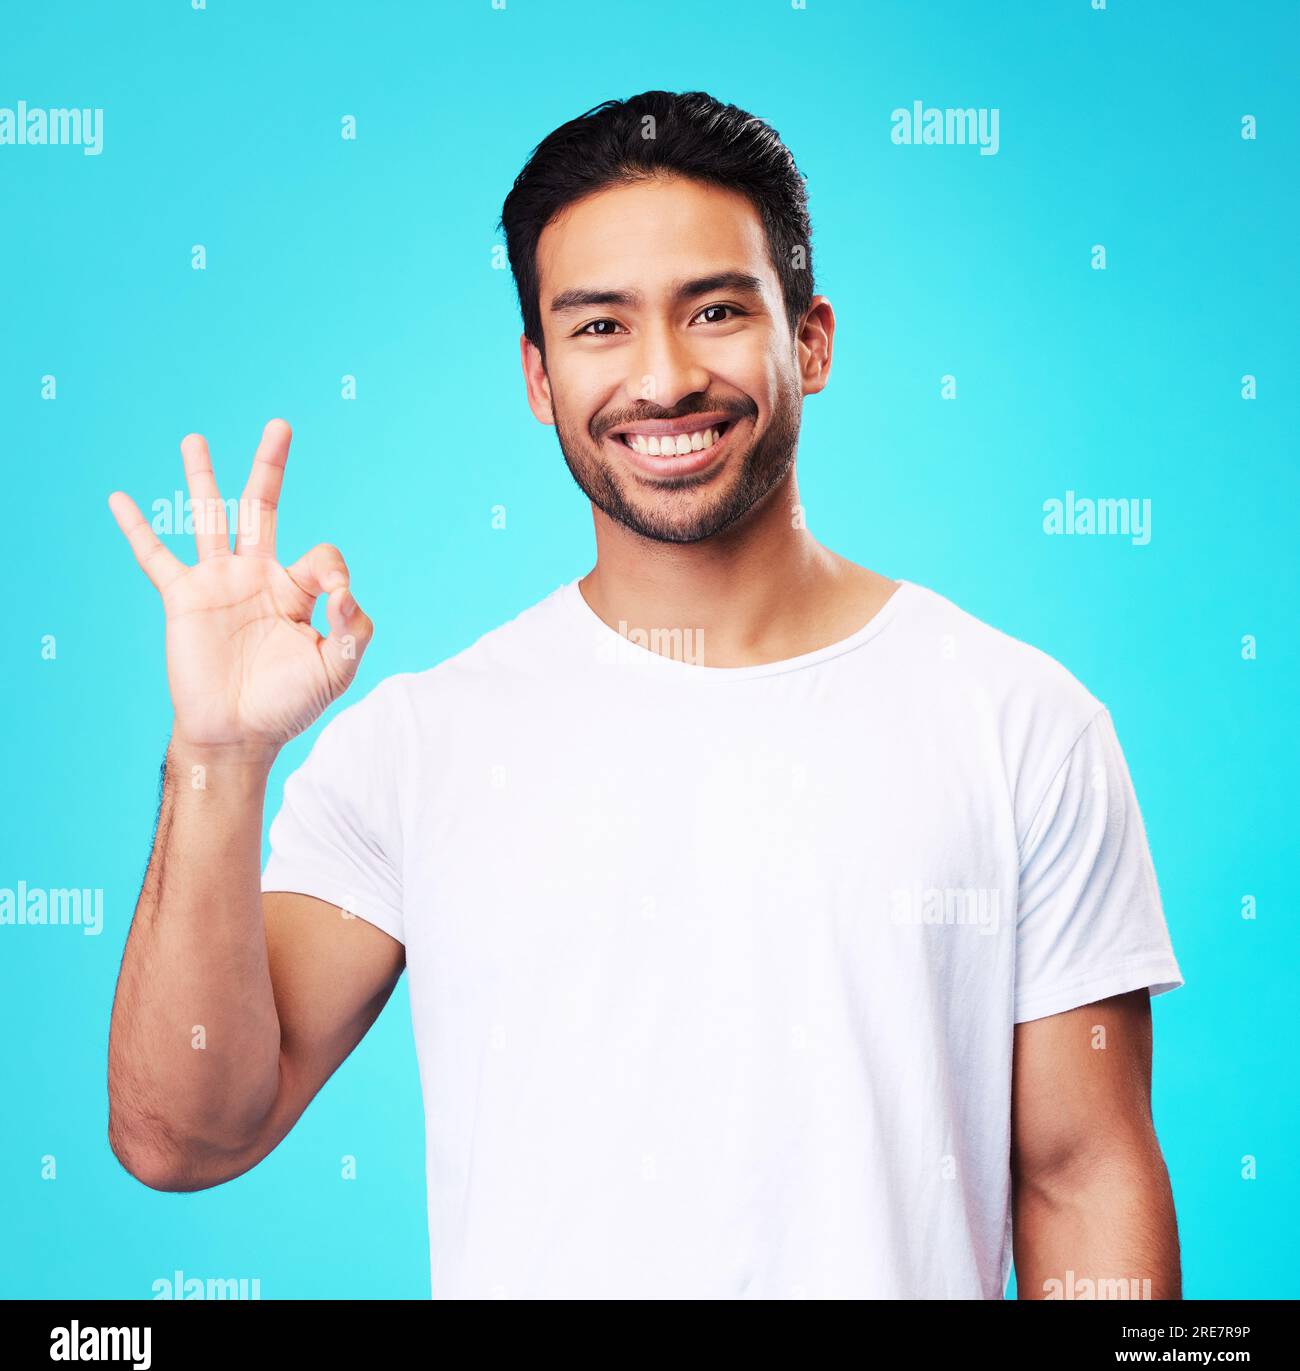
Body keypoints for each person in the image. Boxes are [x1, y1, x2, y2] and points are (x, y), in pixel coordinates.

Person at [106, 90, 1184, 1300]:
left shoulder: (1019, 724)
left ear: (811, 340)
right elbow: (183, 1136)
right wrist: (215, 757)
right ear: (537, 375)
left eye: (716, 311)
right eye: (600, 327)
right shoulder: (421, 745)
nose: (664, 380)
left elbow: (1080, 1179)